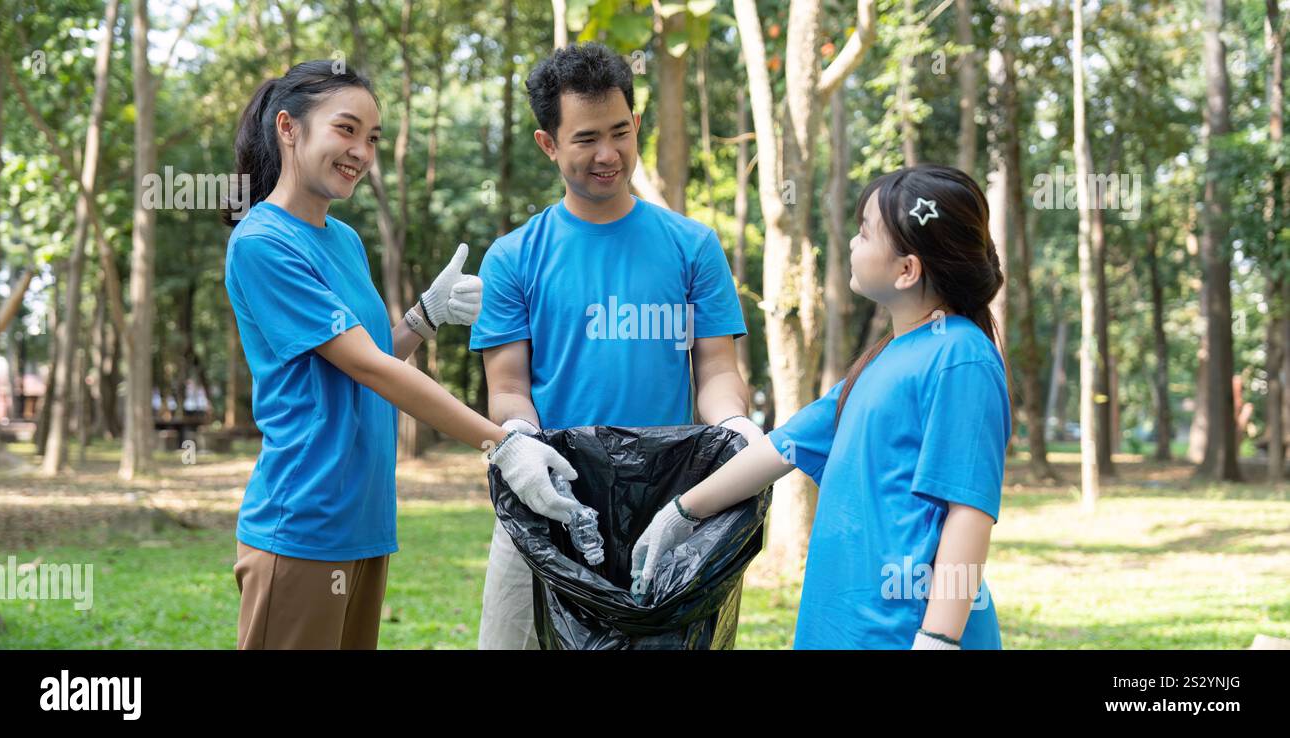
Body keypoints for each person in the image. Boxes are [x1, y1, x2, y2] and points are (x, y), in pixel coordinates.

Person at [223, 60, 576, 649]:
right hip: (301, 525)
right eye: (346, 129)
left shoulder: (343, 239)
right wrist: (499, 440)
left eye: (373, 138)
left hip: (363, 524)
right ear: (288, 128)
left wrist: (423, 317)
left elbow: (366, 355)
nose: (361, 151)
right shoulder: (262, 243)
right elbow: (368, 365)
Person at [631, 164, 1010, 650]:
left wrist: (938, 638)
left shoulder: (960, 357)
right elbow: (778, 450)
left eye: (864, 233)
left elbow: (968, 512)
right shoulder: (880, 362)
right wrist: (679, 514)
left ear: (906, 269)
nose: (852, 244)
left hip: (904, 633)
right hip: (841, 628)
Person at [470, 43, 761, 650]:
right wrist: (520, 442)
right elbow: (507, 387)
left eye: (621, 132)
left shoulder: (692, 246)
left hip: (667, 506)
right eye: (585, 139)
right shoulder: (514, 257)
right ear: (548, 144)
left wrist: (736, 423)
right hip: (544, 499)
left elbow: (714, 369)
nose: (609, 155)